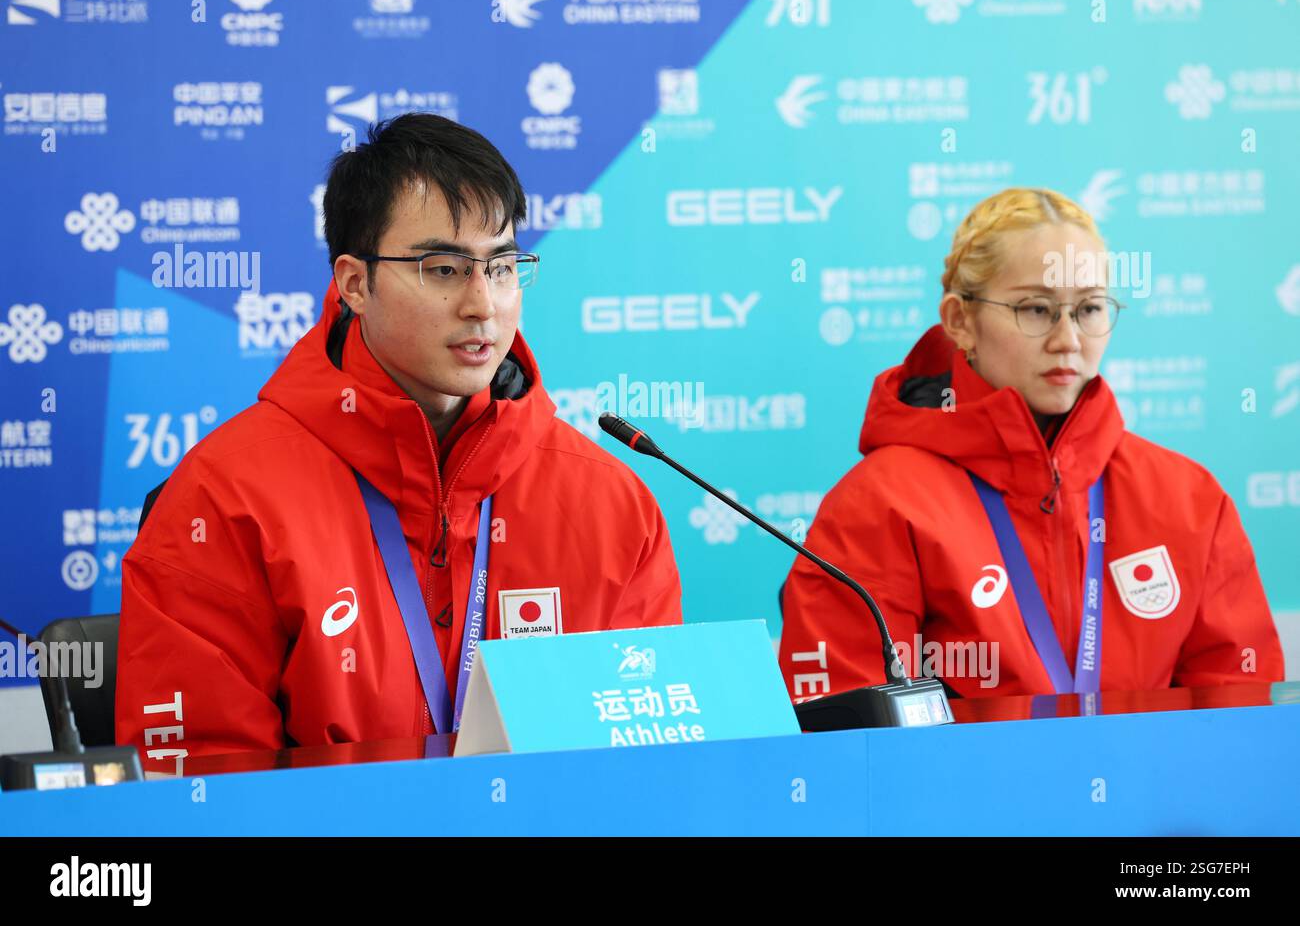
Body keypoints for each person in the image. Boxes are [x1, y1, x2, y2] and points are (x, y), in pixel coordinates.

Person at [116, 114, 682, 767]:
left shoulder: (610, 502)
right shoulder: (222, 500)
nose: (483, 305)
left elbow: (648, 764)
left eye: (501, 267)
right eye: (443, 268)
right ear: (355, 283)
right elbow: (199, 791)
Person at [778, 187, 1283, 704]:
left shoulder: (1189, 497)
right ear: (959, 321)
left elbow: (1235, 717)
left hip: (1149, 786)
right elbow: (853, 734)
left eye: (1088, 309)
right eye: (1037, 310)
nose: (1068, 339)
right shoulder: (881, 503)